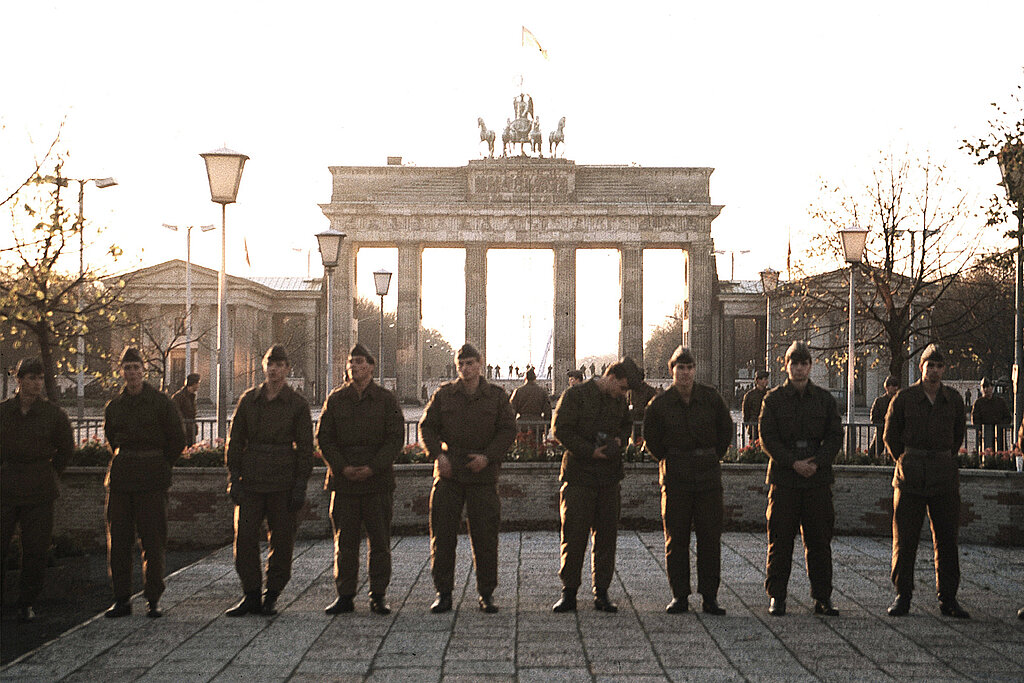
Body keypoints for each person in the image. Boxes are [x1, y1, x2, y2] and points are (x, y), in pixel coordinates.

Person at [419, 343, 516, 614]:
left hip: (482, 475)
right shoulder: (444, 395)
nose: (465, 368)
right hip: (449, 474)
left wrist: (488, 457)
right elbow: (427, 427)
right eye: (461, 364)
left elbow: (508, 430)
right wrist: (438, 455)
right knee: (443, 536)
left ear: (480, 364)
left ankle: (486, 593)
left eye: (470, 363)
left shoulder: (496, 397)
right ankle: (443, 593)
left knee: (485, 538)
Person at [224, 345, 314, 617]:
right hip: (251, 481)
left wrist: (300, 486)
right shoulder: (248, 400)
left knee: (282, 541)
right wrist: (234, 479)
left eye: (279, 365)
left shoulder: (297, 405)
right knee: (244, 540)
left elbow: (306, 449)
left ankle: (272, 594)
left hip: (283, 482)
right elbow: (235, 441)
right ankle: (251, 594)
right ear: (263, 367)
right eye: (269, 364)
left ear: (288, 369)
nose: (274, 369)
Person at [643, 347, 733, 615]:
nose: (684, 373)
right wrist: (672, 459)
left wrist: (709, 456)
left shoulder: (711, 398)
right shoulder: (660, 404)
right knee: (676, 538)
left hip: (707, 477)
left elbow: (725, 432)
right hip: (676, 478)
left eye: (689, 367)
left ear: (695, 369)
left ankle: (710, 596)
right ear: (672, 370)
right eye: (679, 368)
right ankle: (679, 595)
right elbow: (652, 441)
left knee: (709, 538)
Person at [550, 357, 643, 613]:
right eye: (623, 388)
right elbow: (560, 430)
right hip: (579, 475)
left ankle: (601, 592)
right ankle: (569, 591)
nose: (624, 394)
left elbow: (626, 425)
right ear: (611, 378)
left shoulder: (619, 401)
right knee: (574, 536)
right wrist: (589, 451)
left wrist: (619, 441)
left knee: (606, 537)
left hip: (609, 477)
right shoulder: (575, 395)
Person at [883, 344, 970, 619]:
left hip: (943, 478)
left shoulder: (953, 399)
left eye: (938, 366)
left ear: (944, 369)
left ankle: (948, 598)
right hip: (910, 478)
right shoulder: (905, 398)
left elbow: (958, 436)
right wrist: (907, 460)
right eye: (928, 365)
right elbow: (890, 435)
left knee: (946, 540)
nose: (933, 370)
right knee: (905, 540)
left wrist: (941, 459)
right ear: (921, 367)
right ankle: (903, 596)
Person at [317, 343, 403, 616]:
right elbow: (324, 438)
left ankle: (378, 595)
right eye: (351, 361)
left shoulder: (386, 400)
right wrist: (342, 467)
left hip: (376, 482)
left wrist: (373, 467)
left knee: (379, 542)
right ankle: (345, 595)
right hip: (344, 483)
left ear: (371, 366)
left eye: (361, 361)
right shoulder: (335, 399)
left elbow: (395, 439)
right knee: (345, 542)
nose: (355, 366)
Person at [758, 341, 843, 617]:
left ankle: (822, 597)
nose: (799, 368)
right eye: (794, 363)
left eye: (804, 363)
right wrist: (793, 463)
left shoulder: (824, 399)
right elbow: (767, 437)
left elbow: (834, 436)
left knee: (819, 541)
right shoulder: (773, 400)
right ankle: (777, 597)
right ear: (786, 366)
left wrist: (816, 462)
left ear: (810, 366)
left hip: (816, 480)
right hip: (785, 480)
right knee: (780, 541)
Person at [102, 347, 186, 618]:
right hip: (122, 478)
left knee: (152, 540)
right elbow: (111, 439)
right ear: (121, 372)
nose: (132, 373)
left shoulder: (161, 403)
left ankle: (153, 598)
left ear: (144, 370)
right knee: (119, 541)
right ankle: (122, 599)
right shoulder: (114, 406)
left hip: (151, 479)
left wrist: (161, 465)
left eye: (136, 367)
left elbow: (177, 439)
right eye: (127, 368)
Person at [1, 358, 74, 622]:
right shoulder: (3, 412)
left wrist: (52, 473)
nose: (36, 383)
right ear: (18, 380)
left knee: (35, 549)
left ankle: (26, 602)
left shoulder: (53, 415)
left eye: (40, 378)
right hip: (5, 487)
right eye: (31, 378)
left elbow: (67, 448)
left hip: (39, 489)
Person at [510, 367, 552, 446]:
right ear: (535, 378)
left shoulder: (518, 391)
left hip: (522, 425)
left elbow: (511, 411)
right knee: (537, 447)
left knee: (521, 449)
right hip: (537, 425)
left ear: (525, 378)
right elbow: (548, 411)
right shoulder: (542, 392)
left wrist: (511, 426)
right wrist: (547, 426)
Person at [971, 377, 1010, 451]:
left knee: (1000, 455)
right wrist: (981, 428)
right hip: (984, 435)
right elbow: (975, 419)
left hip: (999, 435)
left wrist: (1000, 426)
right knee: (985, 454)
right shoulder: (978, 403)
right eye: (984, 387)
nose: (986, 389)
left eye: (988, 387)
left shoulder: (1000, 402)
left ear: (992, 387)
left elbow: (1007, 417)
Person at [868, 376, 900, 459]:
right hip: (881, 432)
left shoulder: (899, 401)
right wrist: (883, 425)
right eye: (893, 385)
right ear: (887, 387)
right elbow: (874, 417)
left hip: (896, 433)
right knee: (874, 452)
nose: (895, 388)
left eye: (896, 385)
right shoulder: (879, 401)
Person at [627, 372, 659, 447]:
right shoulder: (631, 391)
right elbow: (628, 403)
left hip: (645, 423)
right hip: (634, 422)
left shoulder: (650, 391)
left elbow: (654, 408)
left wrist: (641, 411)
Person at [170, 373, 200, 445]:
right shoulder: (179, 396)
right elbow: (174, 413)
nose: (198, 386)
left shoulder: (191, 396)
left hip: (190, 431)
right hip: (183, 431)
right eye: (198, 383)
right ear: (193, 384)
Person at [741, 370, 770, 443]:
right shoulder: (750, 395)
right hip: (754, 427)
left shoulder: (769, 393)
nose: (767, 381)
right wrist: (749, 425)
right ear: (758, 380)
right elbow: (746, 413)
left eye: (767, 379)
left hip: (768, 427)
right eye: (765, 379)